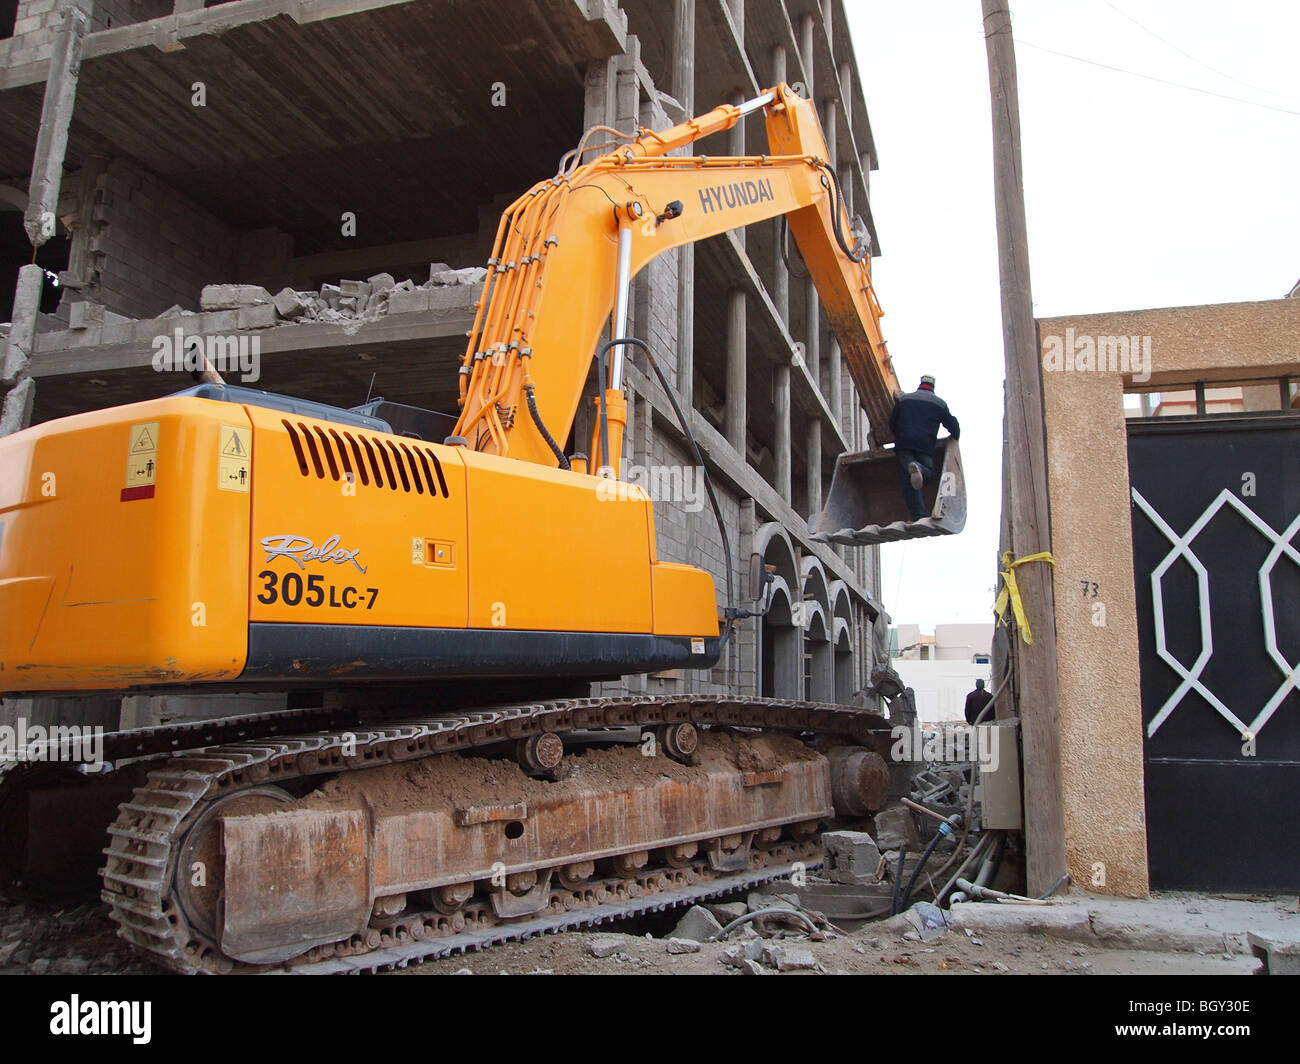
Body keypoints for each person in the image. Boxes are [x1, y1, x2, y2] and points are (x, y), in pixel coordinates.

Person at [889, 375, 960, 520]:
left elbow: (892, 423)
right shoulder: (939, 404)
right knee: (928, 475)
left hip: (904, 444)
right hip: (924, 446)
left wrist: (900, 435)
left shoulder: (904, 400)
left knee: (909, 481)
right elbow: (954, 428)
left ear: (920, 384)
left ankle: (919, 515)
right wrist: (955, 434)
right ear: (933, 387)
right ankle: (920, 469)